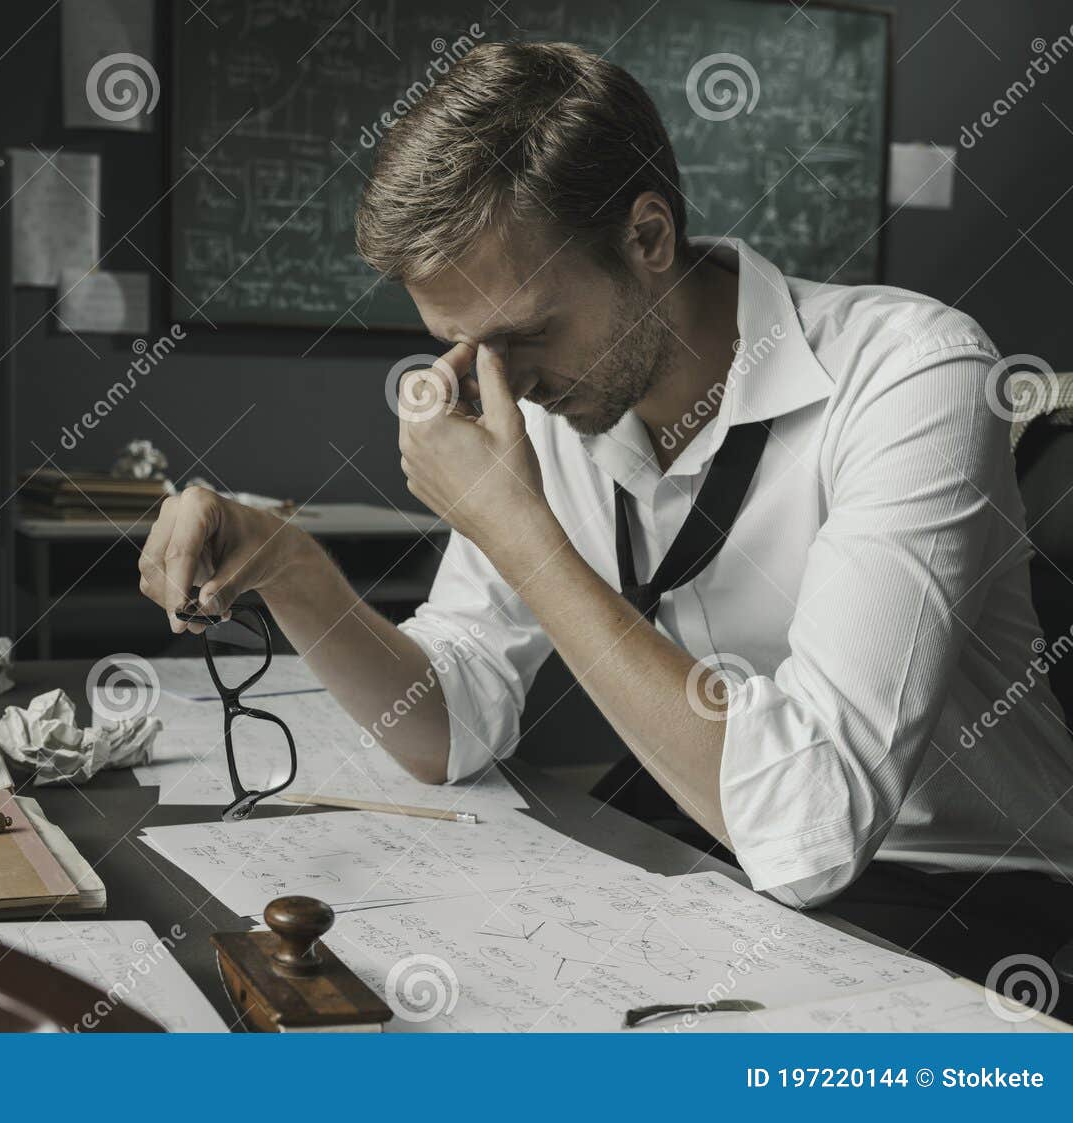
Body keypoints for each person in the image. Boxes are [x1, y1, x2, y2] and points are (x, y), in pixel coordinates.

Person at [136, 41, 1073, 1017]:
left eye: (526, 334)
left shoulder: (909, 371)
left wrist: (521, 532)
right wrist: (293, 572)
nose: (506, 382)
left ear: (648, 236)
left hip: (959, 891)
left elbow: (813, 825)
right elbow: (447, 722)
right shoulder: (548, 402)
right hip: (715, 851)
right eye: (463, 344)